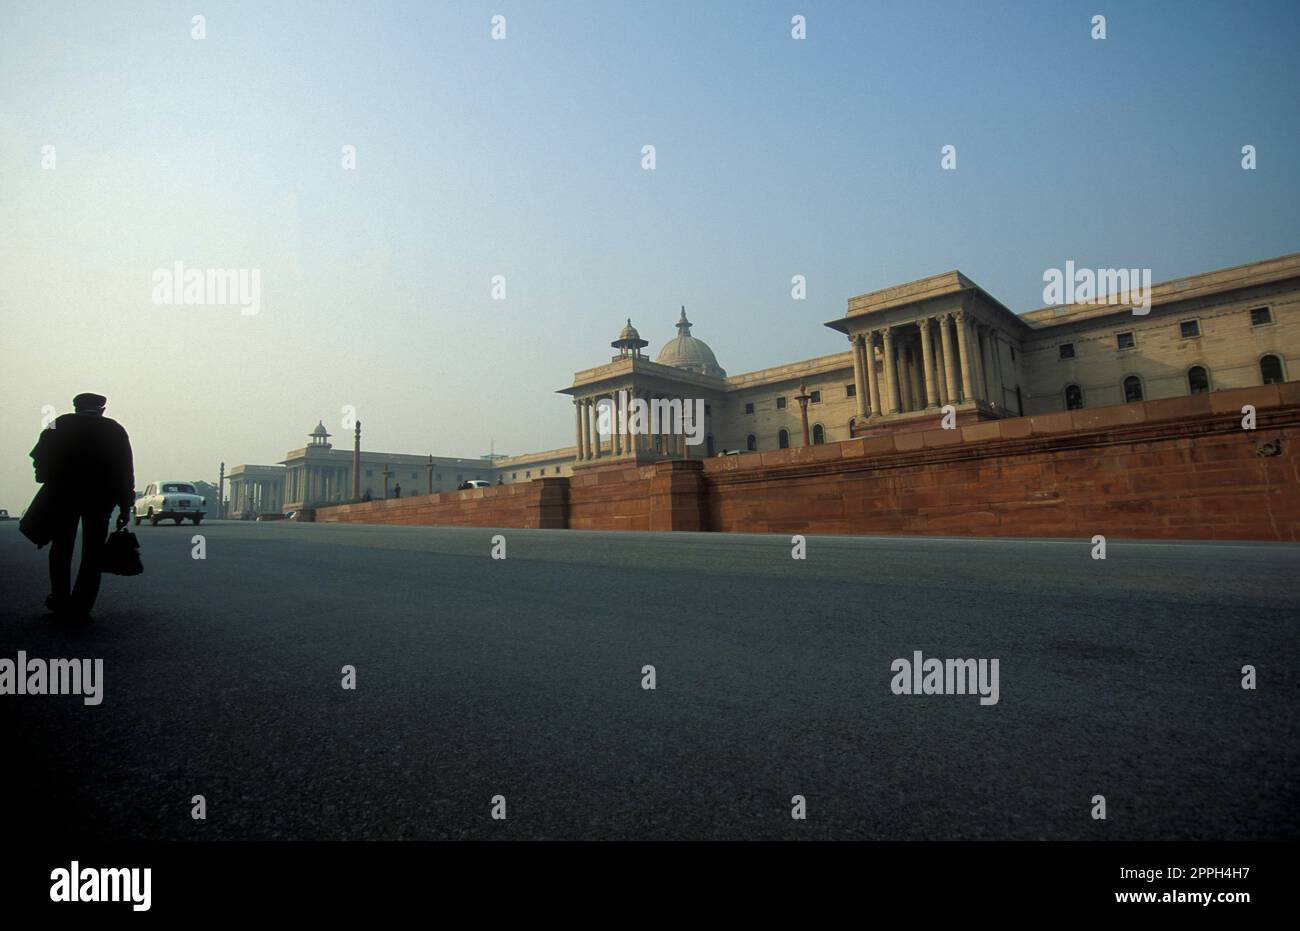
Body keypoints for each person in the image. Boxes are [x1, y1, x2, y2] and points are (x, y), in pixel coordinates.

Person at [29, 392, 135, 623]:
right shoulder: (114, 430)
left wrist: (49, 478)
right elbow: (126, 470)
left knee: (61, 548)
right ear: (102, 409)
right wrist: (126, 505)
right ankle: (82, 606)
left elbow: (38, 455)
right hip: (100, 499)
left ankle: (59, 599)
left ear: (75, 407)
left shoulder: (61, 424)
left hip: (64, 495)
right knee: (93, 553)